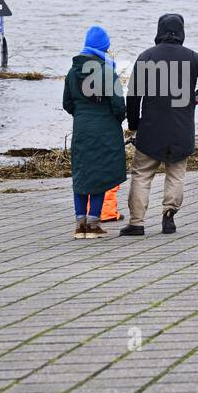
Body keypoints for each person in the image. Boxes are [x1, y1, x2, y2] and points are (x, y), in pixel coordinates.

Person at [120, 13, 198, 235]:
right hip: (181, 129)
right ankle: (169, 216)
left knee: (141, 175)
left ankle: (137, 223)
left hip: (151, 129)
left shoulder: (146, 57)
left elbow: (133, 95)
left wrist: (134, 124)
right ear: (182, 31)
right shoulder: (194, 58)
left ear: (159, 31)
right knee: (176, 174)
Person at [62, 25, 127, 239]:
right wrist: (115, 120)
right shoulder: (108, 71)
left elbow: (67, 103)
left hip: (81, 127)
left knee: (81, 172)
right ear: (104, 47)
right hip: (105, 128)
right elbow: (118, 105)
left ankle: (79, 225)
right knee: (100, 173)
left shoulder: (72, 71)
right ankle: (94, 224)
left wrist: (82, 115)